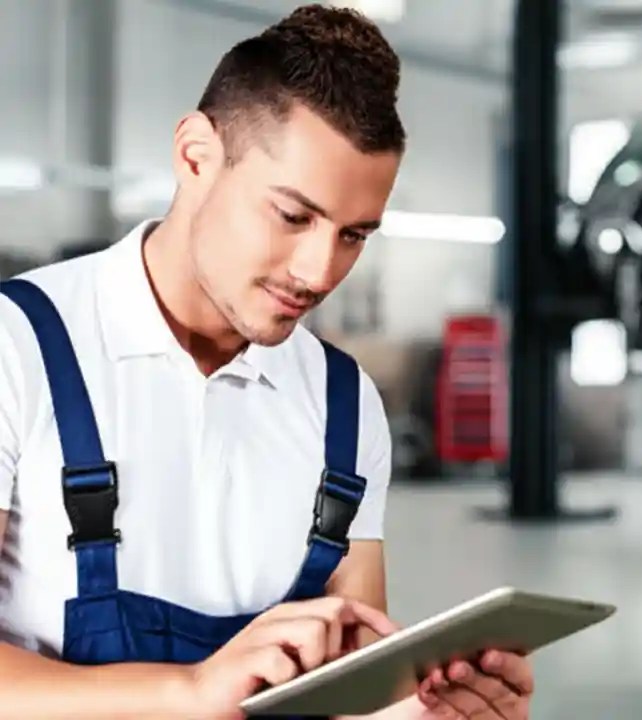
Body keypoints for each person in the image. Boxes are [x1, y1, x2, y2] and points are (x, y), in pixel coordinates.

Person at [0, 6, 533, 719]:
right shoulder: (18, 346)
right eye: (292, 216)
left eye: (354, 235)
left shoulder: (342, 404)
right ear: (196, 155)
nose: (318, 271)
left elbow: (353, 695)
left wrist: (426, 712)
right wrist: (189, 694)